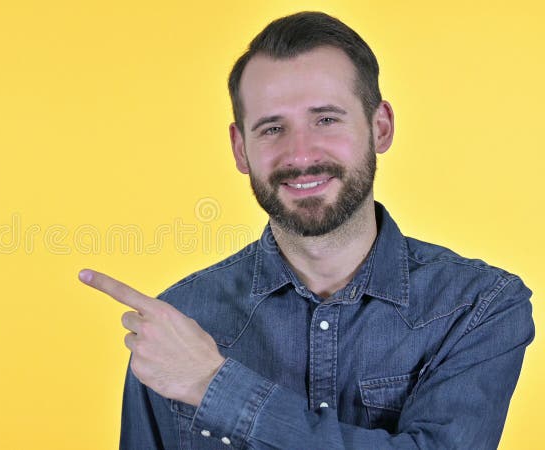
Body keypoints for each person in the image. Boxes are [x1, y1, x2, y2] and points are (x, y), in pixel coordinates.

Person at [78, 11, 534, 449]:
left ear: (381, 128)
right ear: (240, 150)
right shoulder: (176, 322)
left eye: (326, 119)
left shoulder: (479, 306)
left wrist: (214, 386)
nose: (299, 154)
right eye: (272, 128)